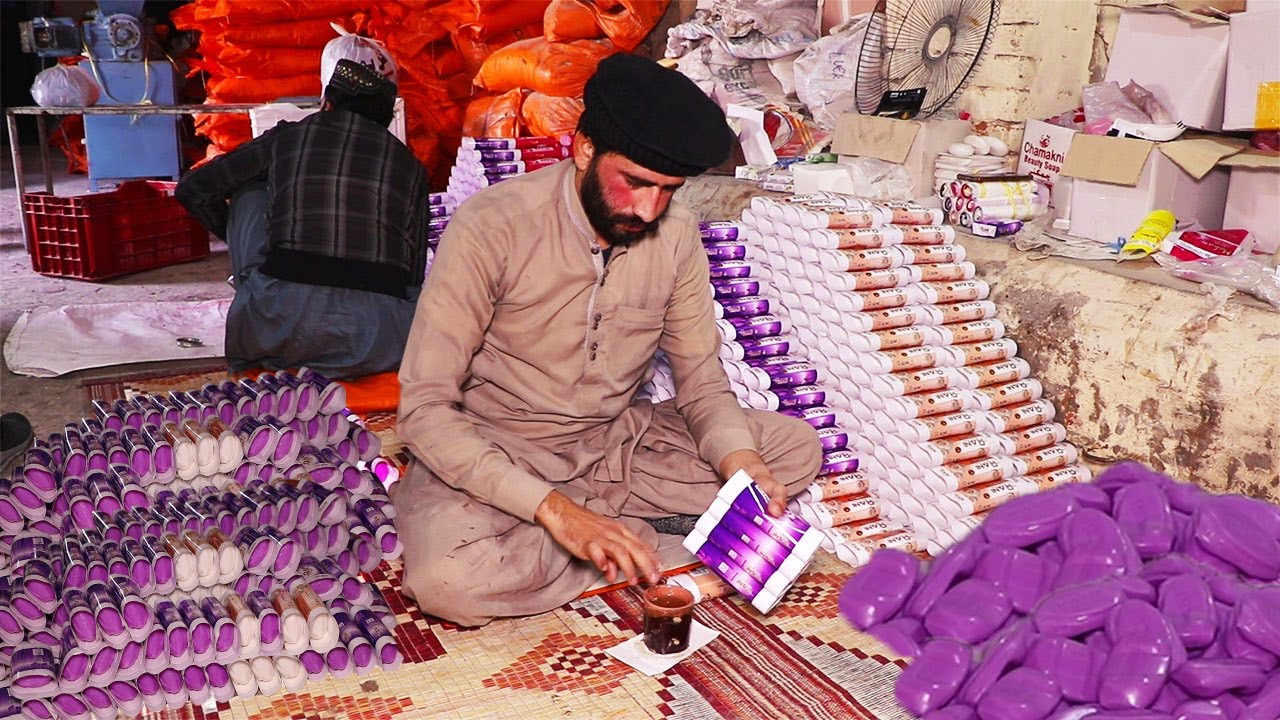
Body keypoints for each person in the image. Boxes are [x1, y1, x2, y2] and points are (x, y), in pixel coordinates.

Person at [394, 54, 822, 627]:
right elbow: (423, 409)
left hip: (616, 445)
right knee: (449, 580)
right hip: (502, 445)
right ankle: (619, 534)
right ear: (584, 148)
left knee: (792, 450)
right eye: (636, 183)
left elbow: (701, 382)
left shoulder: (675, 238)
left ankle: (601, 533)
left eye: (668, 191)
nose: (648, 210)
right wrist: (553, 510)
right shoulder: (492, 226)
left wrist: (741, 463)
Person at [175, 59, 429, 378]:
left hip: (278, 325)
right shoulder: (411, 167)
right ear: (386, 120)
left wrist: (247, 243)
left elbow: (194, 189)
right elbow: (413, 275)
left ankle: (258, 294)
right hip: (380, 341)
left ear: (326, 102)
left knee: (250, 192)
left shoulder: (290, 137)